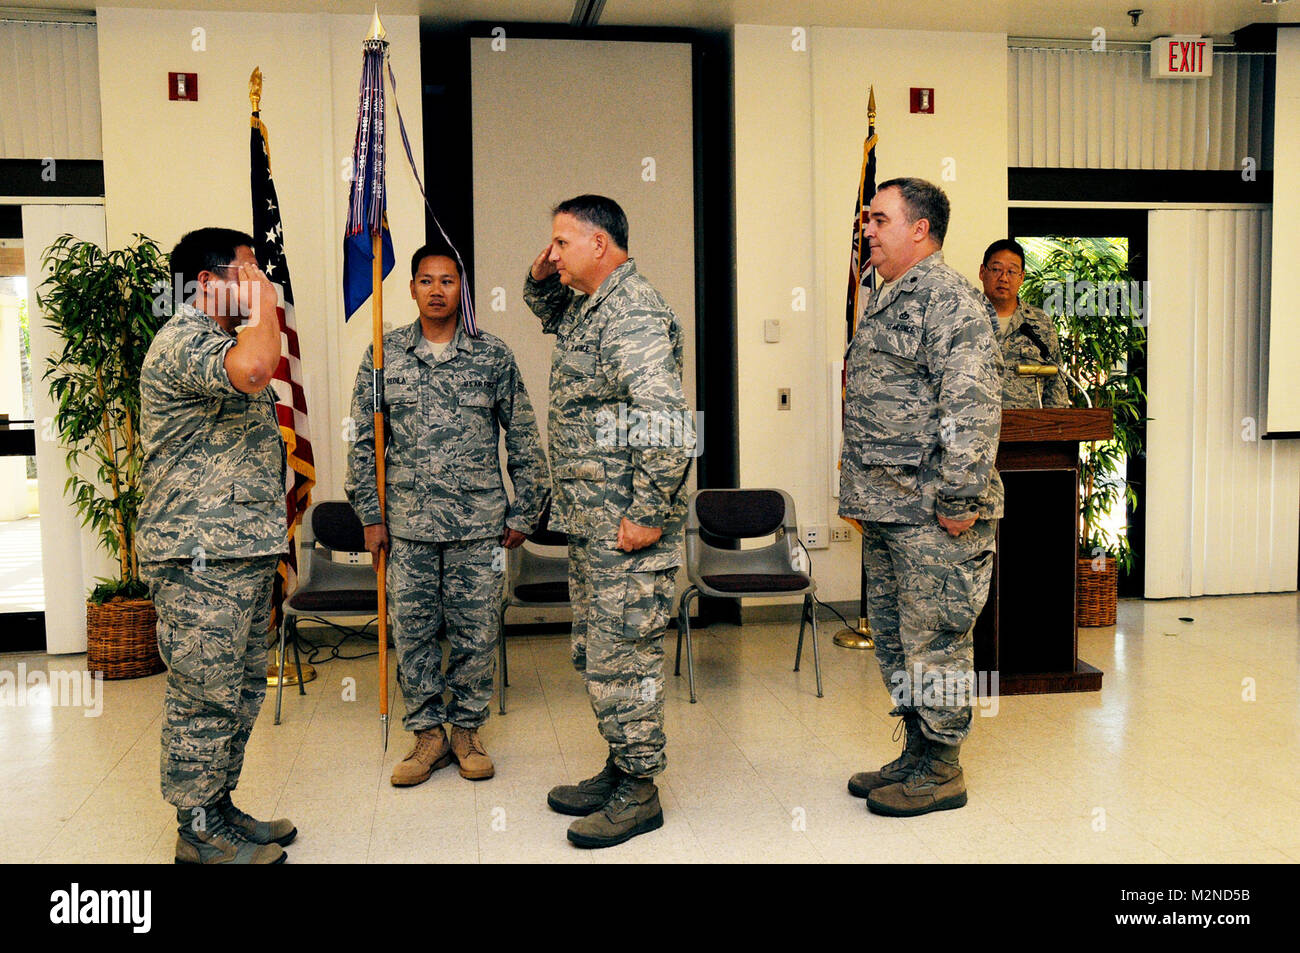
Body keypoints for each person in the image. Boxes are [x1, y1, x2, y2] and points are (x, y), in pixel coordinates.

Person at [524, 194, 693, 848]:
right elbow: (546, 309)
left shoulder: (632, 312)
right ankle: (621, 764)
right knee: (600, 653)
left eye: (562, 242)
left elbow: (668, 423)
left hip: (627, 522)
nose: (553, 253)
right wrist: (544, 274)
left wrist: (648, 513)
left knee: (624, 657)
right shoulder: (590, 305)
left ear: (600, 244)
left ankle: (640, 790)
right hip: (594, 519)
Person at [347, 243, 549, 787]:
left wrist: (524, 510)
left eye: (448, 281)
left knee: (476, 632)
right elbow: (363, 443)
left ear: (462, 289)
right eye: (426, 281)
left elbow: (524, 435)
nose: (437, 290)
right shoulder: (382, 356)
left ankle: (465, 731)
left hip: (478, 527)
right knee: (411, 632)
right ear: (410, 288)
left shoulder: (492, 356)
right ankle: (427, 736)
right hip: (407, 527)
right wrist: (371, 516)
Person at [838, 179, 1004, 817]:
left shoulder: (949, 297)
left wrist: (960, 497)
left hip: (934, 513)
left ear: (920, 230)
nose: (868, 230)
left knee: (935, 638)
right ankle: (915, 749)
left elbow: (971, 404)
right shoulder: (888, 297)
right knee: (894, 636)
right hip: (888, 508)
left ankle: (942, 768)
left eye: (879, 219)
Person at [138, 227, 296, 864]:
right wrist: (265, 305)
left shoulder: (219, 340)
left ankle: (220, 806)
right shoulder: (183, 338)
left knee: (238, 690)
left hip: (237, 551)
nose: (261, 281)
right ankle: (197, 829)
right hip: (196, 558)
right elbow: (259, 370)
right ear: (209, 284)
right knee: (204, 694)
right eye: (248, 270)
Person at [979, 238, 1070, 409]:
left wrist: (1053, 429)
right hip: (974, 431)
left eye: (1012, 272)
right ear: (982, 272)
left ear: (1022, 278)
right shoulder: (964, 318)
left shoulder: (1040, 324)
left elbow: (1055, 385)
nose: (1003, 278)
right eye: (997, 269)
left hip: (1027, 432)